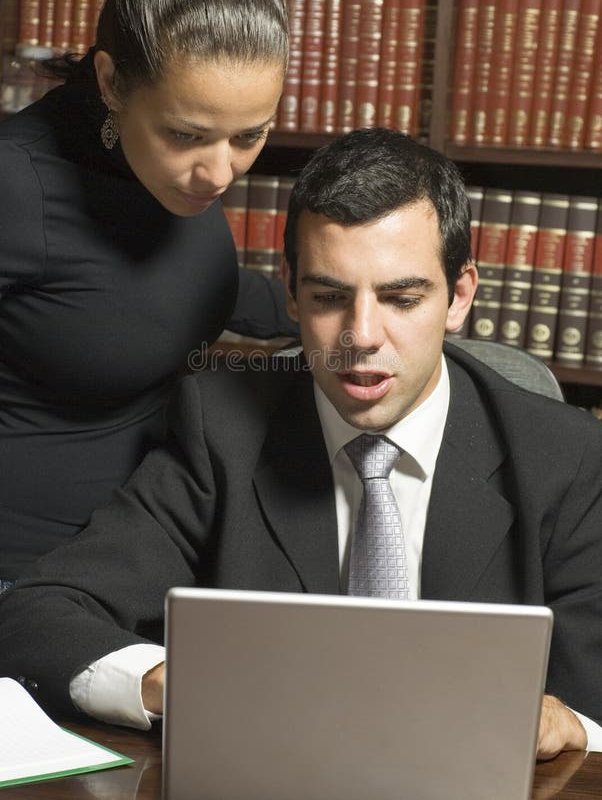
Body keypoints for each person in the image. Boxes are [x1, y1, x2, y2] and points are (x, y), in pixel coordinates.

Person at [1, 128, 602, 761]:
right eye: (329, 297)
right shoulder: (220, 429)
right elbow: (37, 615)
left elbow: (592, 697)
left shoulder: (569, 458)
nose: (361, 336)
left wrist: (572, 724)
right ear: (290, 292)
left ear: (459, 297)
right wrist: (168, 681)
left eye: (401, 298)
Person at [0, 0, 298, 585]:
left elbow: (166, 284)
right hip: (28, 583)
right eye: (187, 135)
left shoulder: (164, 172)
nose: (220, 172)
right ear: (111, 82)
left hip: (151, 553)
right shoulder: (17, 185)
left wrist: (342, 306)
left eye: (249, 136)